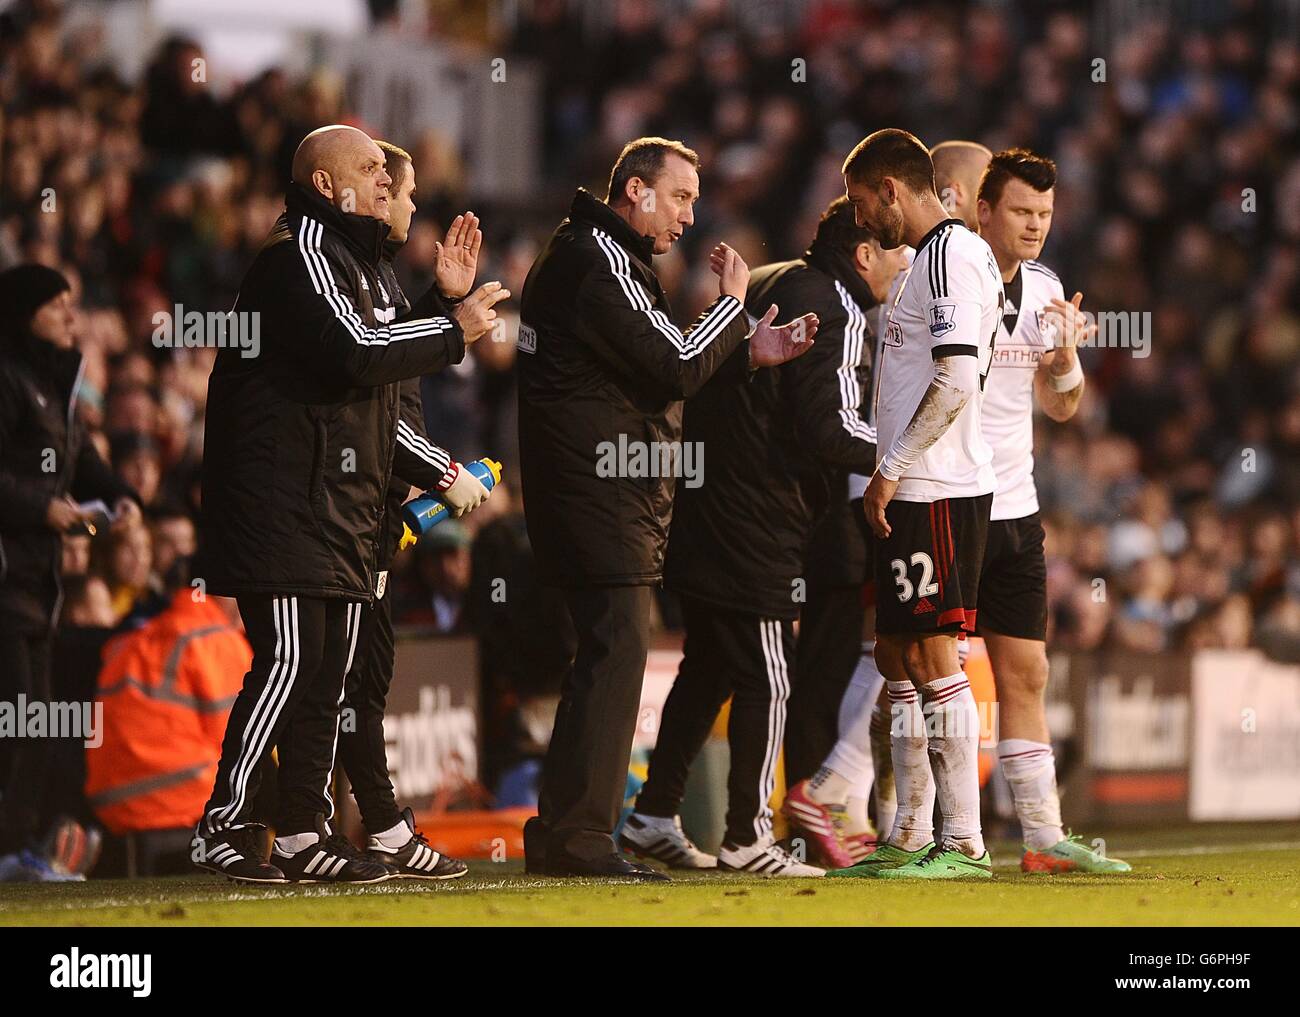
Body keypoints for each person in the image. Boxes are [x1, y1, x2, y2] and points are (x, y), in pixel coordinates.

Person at [517, 136, 818, 880]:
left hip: (598, 490)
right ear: (635, 191)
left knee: (604, 654)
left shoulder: (595, 255)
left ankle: (564, 829)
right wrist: (735, 309)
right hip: (599, 492)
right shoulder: (600, 259)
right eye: (679, 196)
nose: (689, 215)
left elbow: (655, 367)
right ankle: (583, 835)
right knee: (617, 651)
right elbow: (676, 365)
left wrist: (748, 349)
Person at [193, 125, 480, 885]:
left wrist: (440, 309)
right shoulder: (301, 256)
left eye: (391, 173)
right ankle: (226, 823)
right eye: (371, 169)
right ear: (326, 185)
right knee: (290, 661)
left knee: (323, 673)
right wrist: (452, 328)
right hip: (285, 501)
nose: (387, 181)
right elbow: (356, 352)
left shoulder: (362, 267)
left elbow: (377, 402)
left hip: (338, 507)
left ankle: (300, 831)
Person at [621, 198, 899, 876]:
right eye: (897, 252)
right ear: (864, 254)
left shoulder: (776, 277)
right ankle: (747, 835)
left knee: (711, 664)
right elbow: (825, 427)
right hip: (756, 512)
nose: (905, 264)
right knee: (771, 675)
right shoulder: (834, 304)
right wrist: (908, 453)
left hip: (705, 499)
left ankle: (653, 814)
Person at [833, 128, 1002, 880]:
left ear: (894, 190)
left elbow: (958, 378)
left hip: (935, 485)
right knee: (898, 653)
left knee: (934, 655)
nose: (862, 219)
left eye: (865, 203)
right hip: (911, 487)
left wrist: (893, 467)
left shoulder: (953, 257)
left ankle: (962, 838)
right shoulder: (921, 265)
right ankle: (907, 833)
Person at [337, 138, 507, 879]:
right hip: (335, 520)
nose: (406, 204)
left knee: (355, 680)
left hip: (366, 518)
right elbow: (374, 400)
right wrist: (442, 475)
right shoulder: (341, 272)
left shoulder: (374, 275)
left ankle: (359, 823)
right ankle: (328, 823)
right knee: (330, 680)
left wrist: (439, 304)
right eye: (398, 192)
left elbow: (392, 364)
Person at [970, 149, 1127, 872]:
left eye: (1044, 214)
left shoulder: (1046, 288)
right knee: (912, 667)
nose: (1035, 226)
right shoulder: (943, 276)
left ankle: (1041, 837)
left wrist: (1065, 357)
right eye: (1022, 212)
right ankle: (911, 830)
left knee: (1026, 673)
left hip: (1016, 504)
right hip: (942, 497)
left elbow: (1062, 407)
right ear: (985, 209)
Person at [0, 264, 142, 882]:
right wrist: (43, 507)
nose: (70, 315)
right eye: (57, 304)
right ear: (25, 311)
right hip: (7, 582)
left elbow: (82, 460)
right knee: (18, 722)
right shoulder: (7, 380)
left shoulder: (55, 384)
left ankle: (19, 848)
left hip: (39, 588)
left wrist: (123, 496)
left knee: (34, 723)